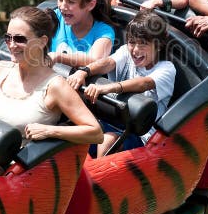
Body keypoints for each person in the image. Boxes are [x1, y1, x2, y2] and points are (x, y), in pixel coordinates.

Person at [0, 6, 102, 176]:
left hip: (20, 170)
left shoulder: (55, 85)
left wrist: (49, 131)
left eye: (20, 39)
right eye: (8, 38)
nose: (12, 45)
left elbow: (95, 132)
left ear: (42, 41)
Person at [67, 11, 176, 157]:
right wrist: (84, 71)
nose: (135, 50)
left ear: (158, 45)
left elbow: (144, 83)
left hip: (143, 138)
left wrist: (110, 87)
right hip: (111, 121)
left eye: (143, 44)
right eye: (132, 42)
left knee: (107, 141)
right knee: (73, 126)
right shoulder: (126, 52)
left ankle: (97, 172)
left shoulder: (167, 69)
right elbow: (108, 63)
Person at [49, 0, 116, 67]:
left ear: (90, 5)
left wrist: (59, 57)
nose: (62, 7)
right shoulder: (55, 17)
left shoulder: (103, 32)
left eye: (71, 2)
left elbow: (95, 60)